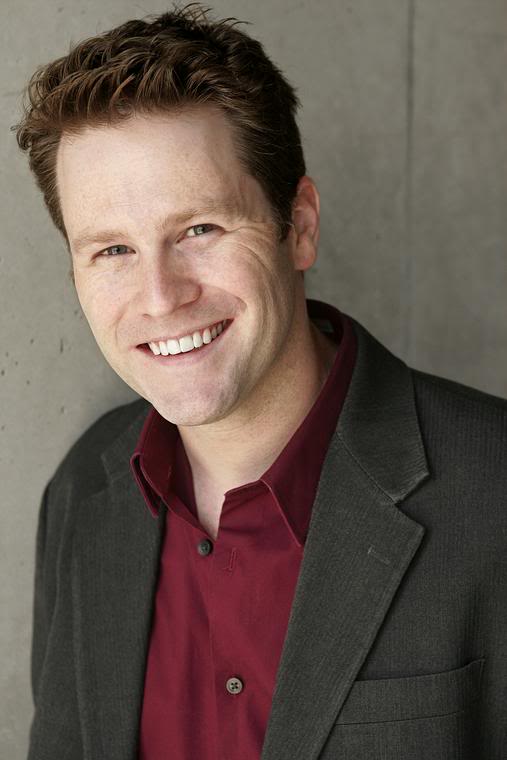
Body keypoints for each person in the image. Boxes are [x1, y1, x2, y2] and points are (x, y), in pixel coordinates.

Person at [14, 4, 506, 759]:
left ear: (299, 226)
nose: (159, 297)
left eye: (199, 229)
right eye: (112, 250)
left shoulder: (493, 491)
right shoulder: (82, 491)